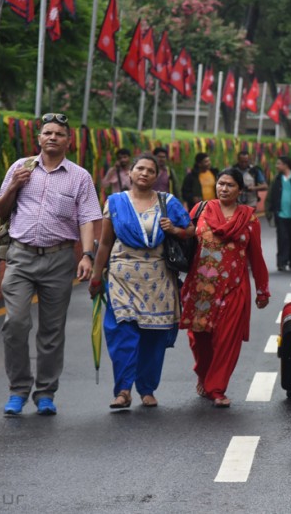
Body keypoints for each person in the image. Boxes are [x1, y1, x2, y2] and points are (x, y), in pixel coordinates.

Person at [0, 112, 102, 416]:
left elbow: (87, 219)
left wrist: (87, 255)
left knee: (52, 331)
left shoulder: (80, 177)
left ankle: (45, 393)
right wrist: (13, 185)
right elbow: (1, 208)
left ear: (69, 141)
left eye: (59, 134)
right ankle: (18, 390)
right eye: (47, 133)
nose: (52, 137)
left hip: (59, 259)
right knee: (15, 324)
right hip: (20, 256)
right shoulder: (21, 167)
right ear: (39, 138)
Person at [88, 154, 194, 410]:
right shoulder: (115, 202)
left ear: (157, 176)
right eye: (140, 168)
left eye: (150, 170)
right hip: (121, 277)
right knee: (122, 333)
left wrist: (174, 230)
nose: (145, 173)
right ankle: (123, 390)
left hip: (159, 279)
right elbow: (105, 243)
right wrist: (96, 275)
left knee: (153, 337)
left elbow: (190, 230)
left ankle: (147, 389)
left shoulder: (168, 202)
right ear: (131, 173)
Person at [180, 168, 271, 408]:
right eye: (221, 183)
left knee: (227, 340)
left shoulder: (248, 218)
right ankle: (204, 375)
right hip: (200, 288)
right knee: (199, 339)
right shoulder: (201, 210)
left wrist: (262, 290)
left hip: (234, 287)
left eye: (230, 185)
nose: (224, 188)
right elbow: (184, 237)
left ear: (240, 190)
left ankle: (216, 388)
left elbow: (256, 256)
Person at [267, 156, 291, 272]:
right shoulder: (277, 179)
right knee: (282, 239)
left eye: (279, 163)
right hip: (280, 214)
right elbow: (270, 195)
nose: (277, 166)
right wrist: (269, 211)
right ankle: (281, 262)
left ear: (286, 165)